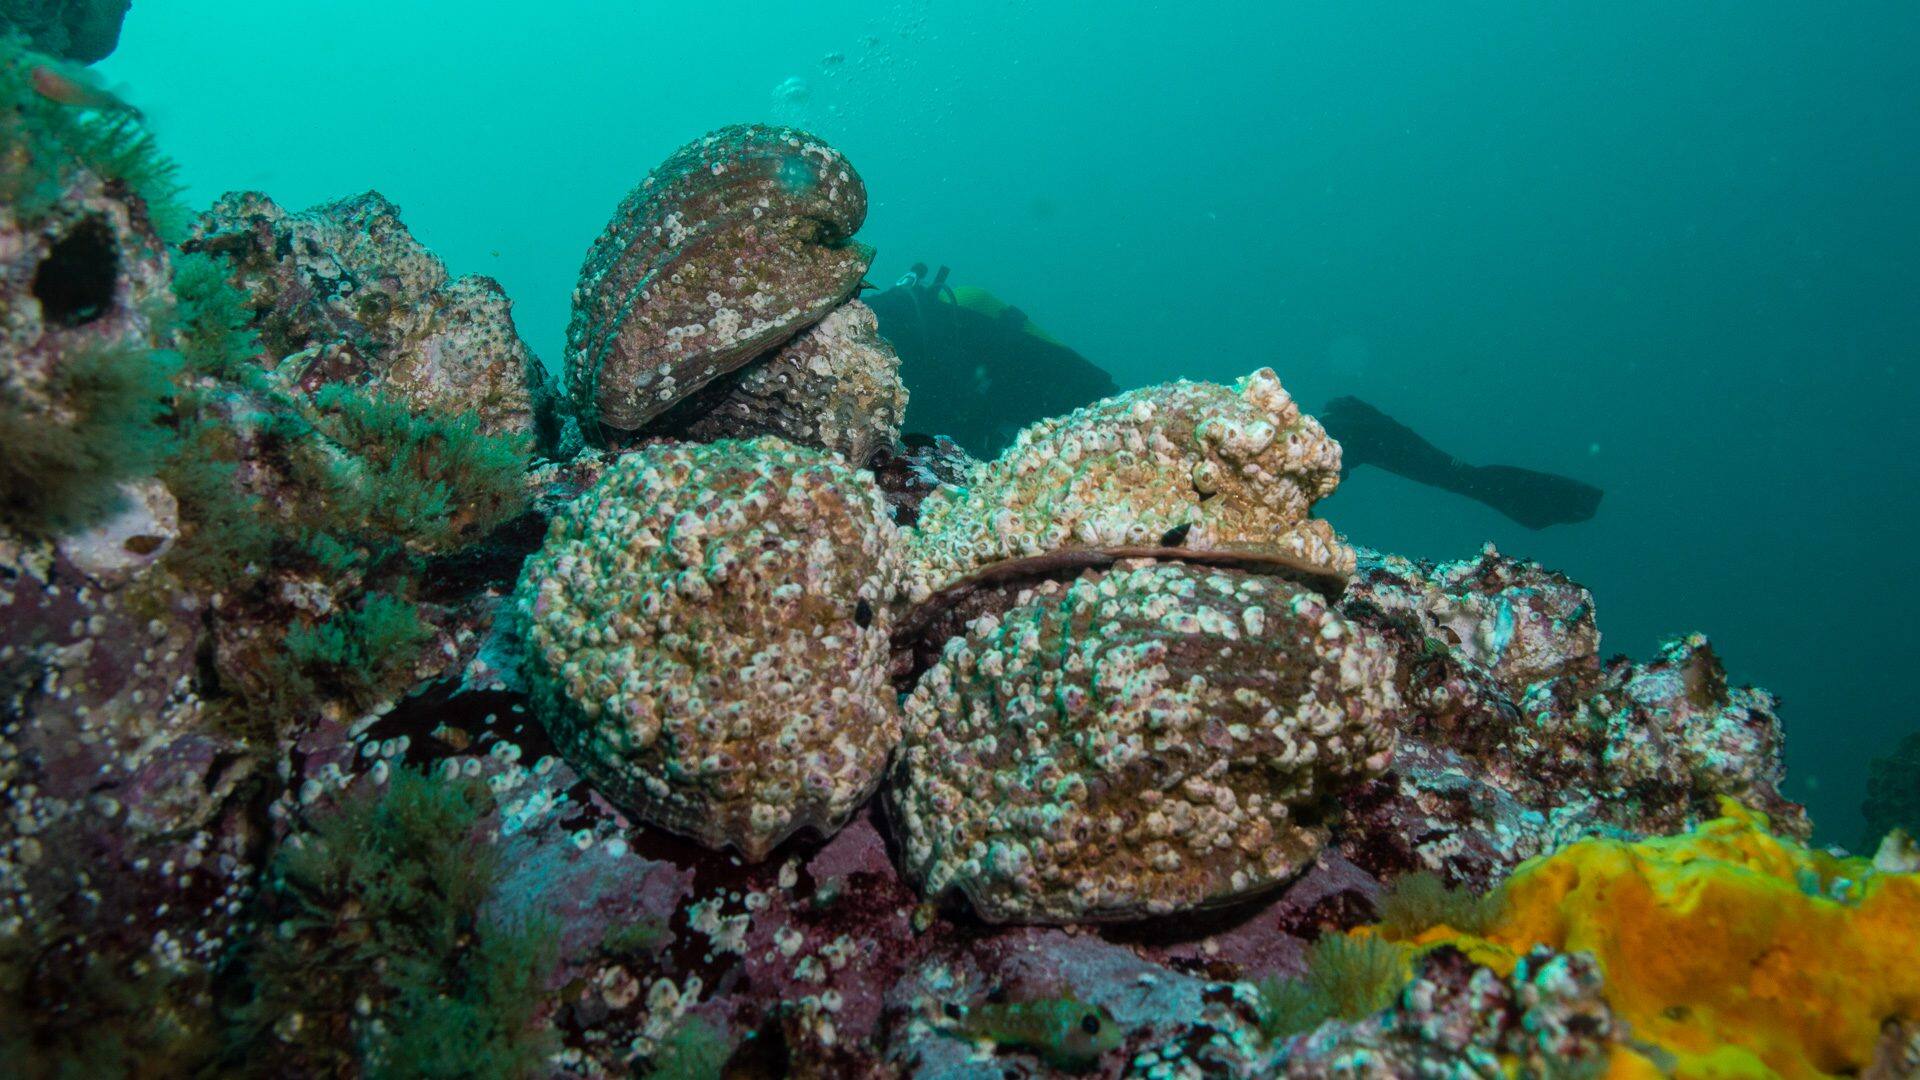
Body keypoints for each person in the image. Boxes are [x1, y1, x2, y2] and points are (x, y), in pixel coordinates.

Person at [867, 264, 1603, 530]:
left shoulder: (897, 331)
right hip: (1062, 424)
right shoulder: (903, 320)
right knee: (1226, 493)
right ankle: (1353, 439)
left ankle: (1348, 436)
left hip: (1067, 431)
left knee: (1218, 501)